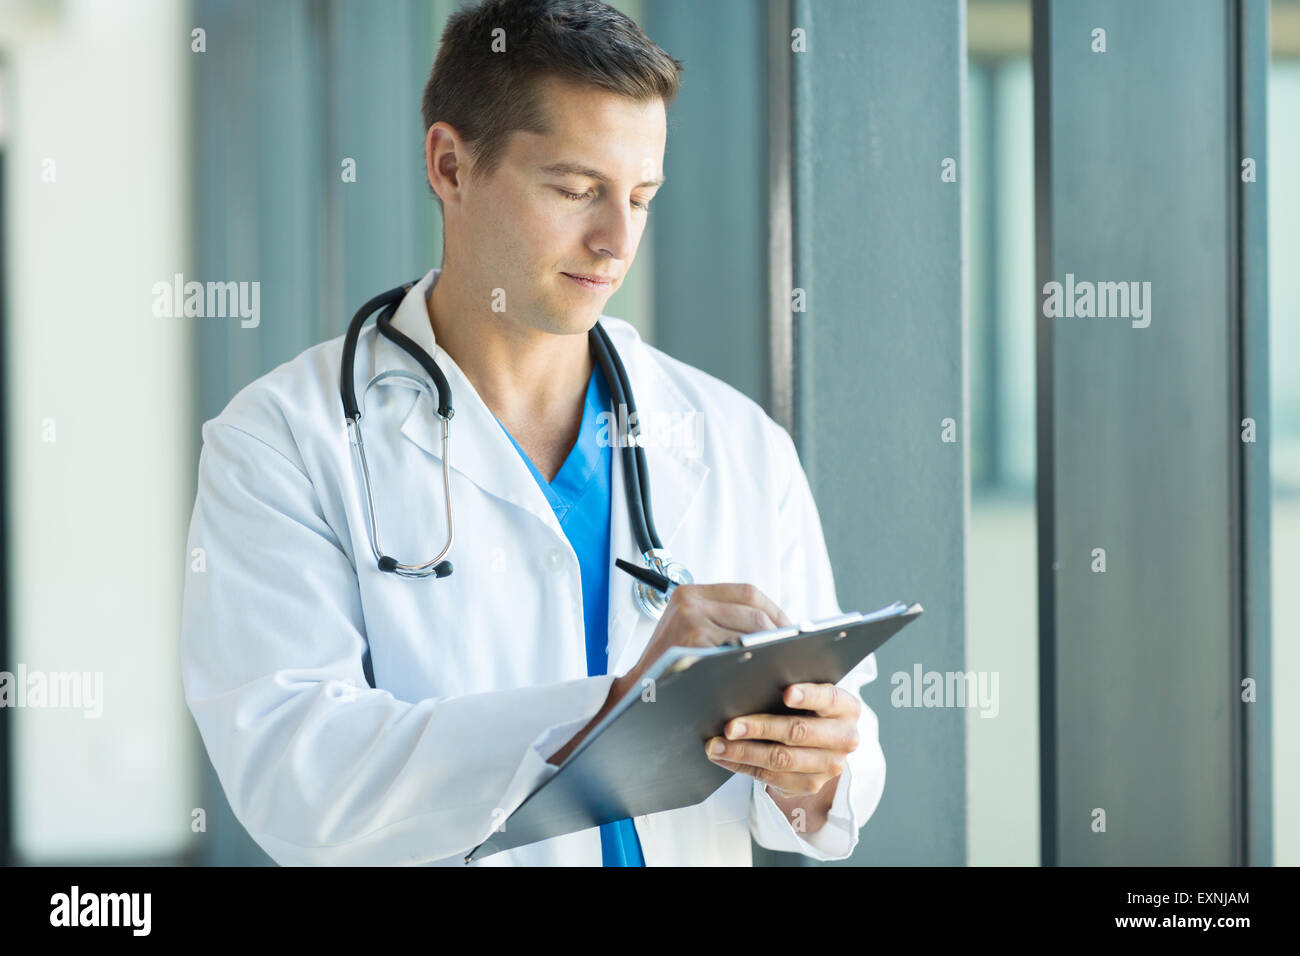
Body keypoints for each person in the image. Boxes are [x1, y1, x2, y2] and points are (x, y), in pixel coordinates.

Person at [180, 0, 885, 867]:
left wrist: (812, 772)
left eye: (641, 196)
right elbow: (298, 782)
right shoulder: (283, 442)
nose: (616, 240)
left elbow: (836, 764)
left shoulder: (734, 440)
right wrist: (614, 706)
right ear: (450, 165)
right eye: (576, 189)